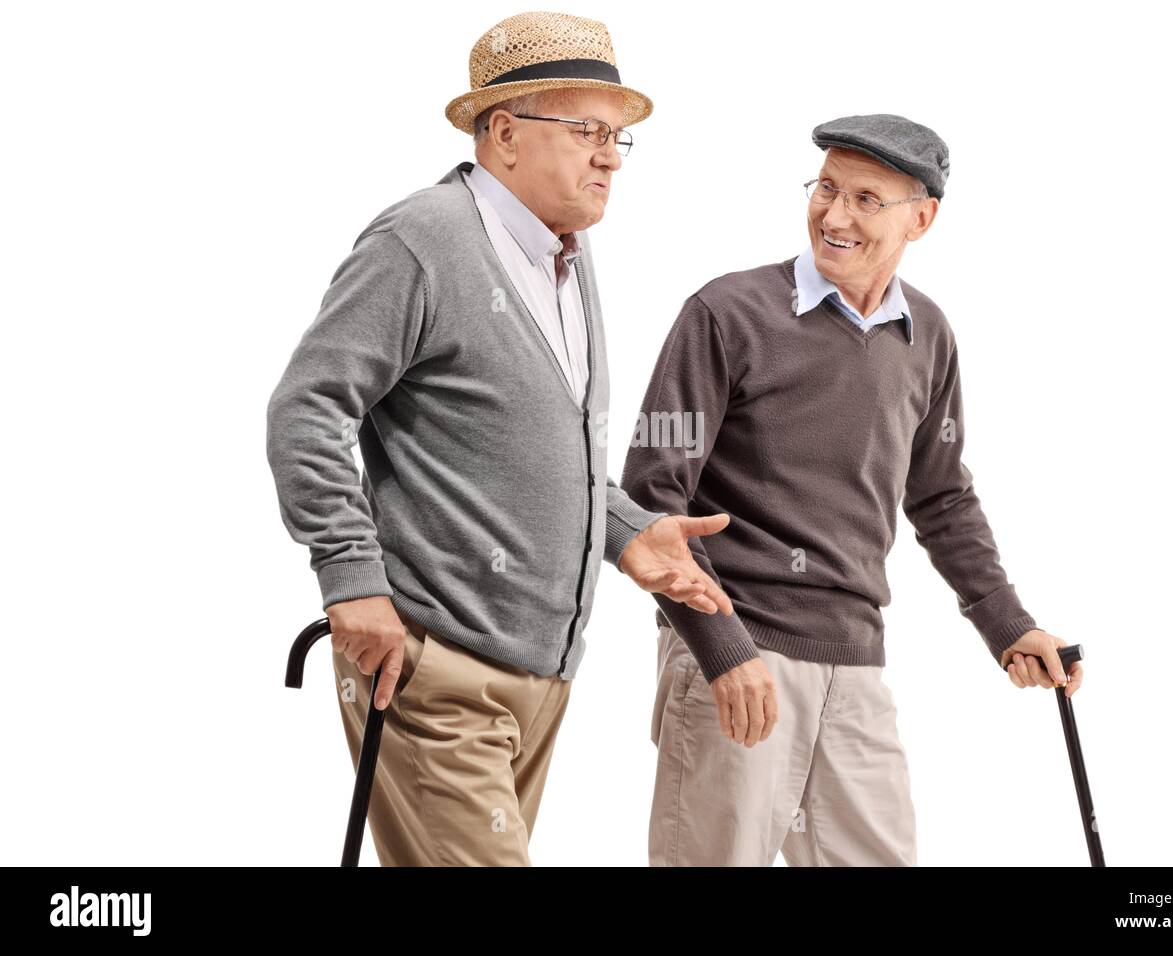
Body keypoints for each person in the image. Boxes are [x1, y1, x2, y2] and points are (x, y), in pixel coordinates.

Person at [265, 11, 734, 866]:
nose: (609, 156)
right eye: (588, 130)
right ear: (506, 133)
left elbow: (541, 448)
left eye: (620, 138)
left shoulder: (566, 251)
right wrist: (351, 578)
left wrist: (626, 535)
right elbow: (308, 406)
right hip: (432, 665)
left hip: (542, 678)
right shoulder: (424, 241)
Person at [621, 113, 1083, 867]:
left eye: (866, 199)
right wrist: (721, 645)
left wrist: (1007, 624)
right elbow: (651, 493)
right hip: (737, 649)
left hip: (857, 662)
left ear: (922, 218)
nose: (834, 216)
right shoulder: (725, 314)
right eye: (826, 189)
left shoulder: (926, 334)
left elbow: (940, 495)